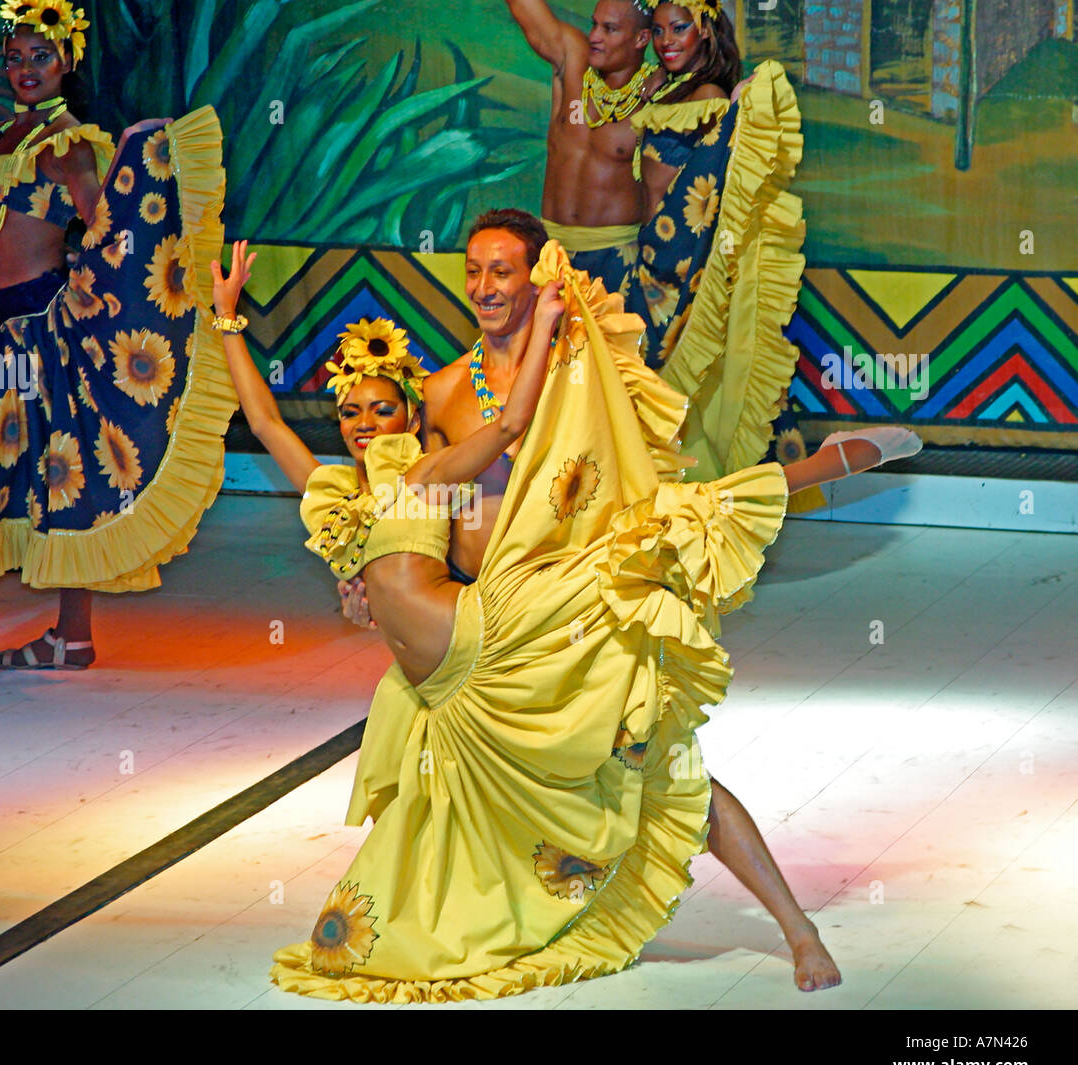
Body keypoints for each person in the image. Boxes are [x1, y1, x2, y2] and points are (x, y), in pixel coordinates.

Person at [213, 237, 921, 1000]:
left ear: (409, 416)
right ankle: (504, 922)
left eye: (383, 409)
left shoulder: (428, 467)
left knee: (657, 657)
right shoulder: (340, 491)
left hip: (510, 630)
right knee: (467, 817)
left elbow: (516, 429)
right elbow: (269, 424)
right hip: (448, 688)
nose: (364, 424)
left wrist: (551, 316)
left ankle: (818, 469)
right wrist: (227, 322)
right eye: (351, 412)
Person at [0, 3, 232, 685]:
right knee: (54, 473)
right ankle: (68, 637)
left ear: (67, 63)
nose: (24, 71)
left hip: (41, 326)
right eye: (15, 58)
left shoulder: (68, 144)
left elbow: (106, 226)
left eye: (40, 58)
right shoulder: (11, 139)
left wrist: (84, 299)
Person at [629, 1, 815, 495]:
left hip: (678, 263)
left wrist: (738, 110)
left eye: (680, 28)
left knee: (673, 380)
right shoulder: (667, 89)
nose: (667, 40)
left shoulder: (706, 97)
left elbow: (710, 180)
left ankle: (704, 496)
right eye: (659, 30)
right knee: (661, 384)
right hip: (651, 257)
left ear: (706, 31)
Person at [504, 0, 662, 317]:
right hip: (550, 251)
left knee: (609, 363)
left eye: (610, 29)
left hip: (616, 257)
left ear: (641, 39)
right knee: (544, 361)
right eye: (594, 24)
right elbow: (527, 10)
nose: (595, 36)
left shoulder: (660, 90)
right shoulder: (574, 57)